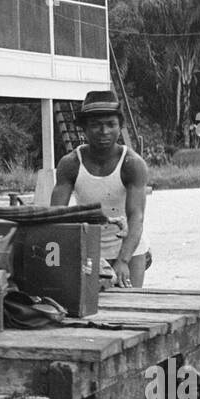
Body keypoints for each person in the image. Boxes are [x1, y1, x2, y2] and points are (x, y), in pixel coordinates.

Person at [50, 90, 149, 287]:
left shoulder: (132, 164)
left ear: (120, 127)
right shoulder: (70, 164)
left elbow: (136, 216)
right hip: (88, 252)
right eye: (96, 125)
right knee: (90, 311)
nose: (104, 131)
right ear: (84, 129)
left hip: (128, 251)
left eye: (110, 124)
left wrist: (123, 261)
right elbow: (55, 216)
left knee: (130, 310)